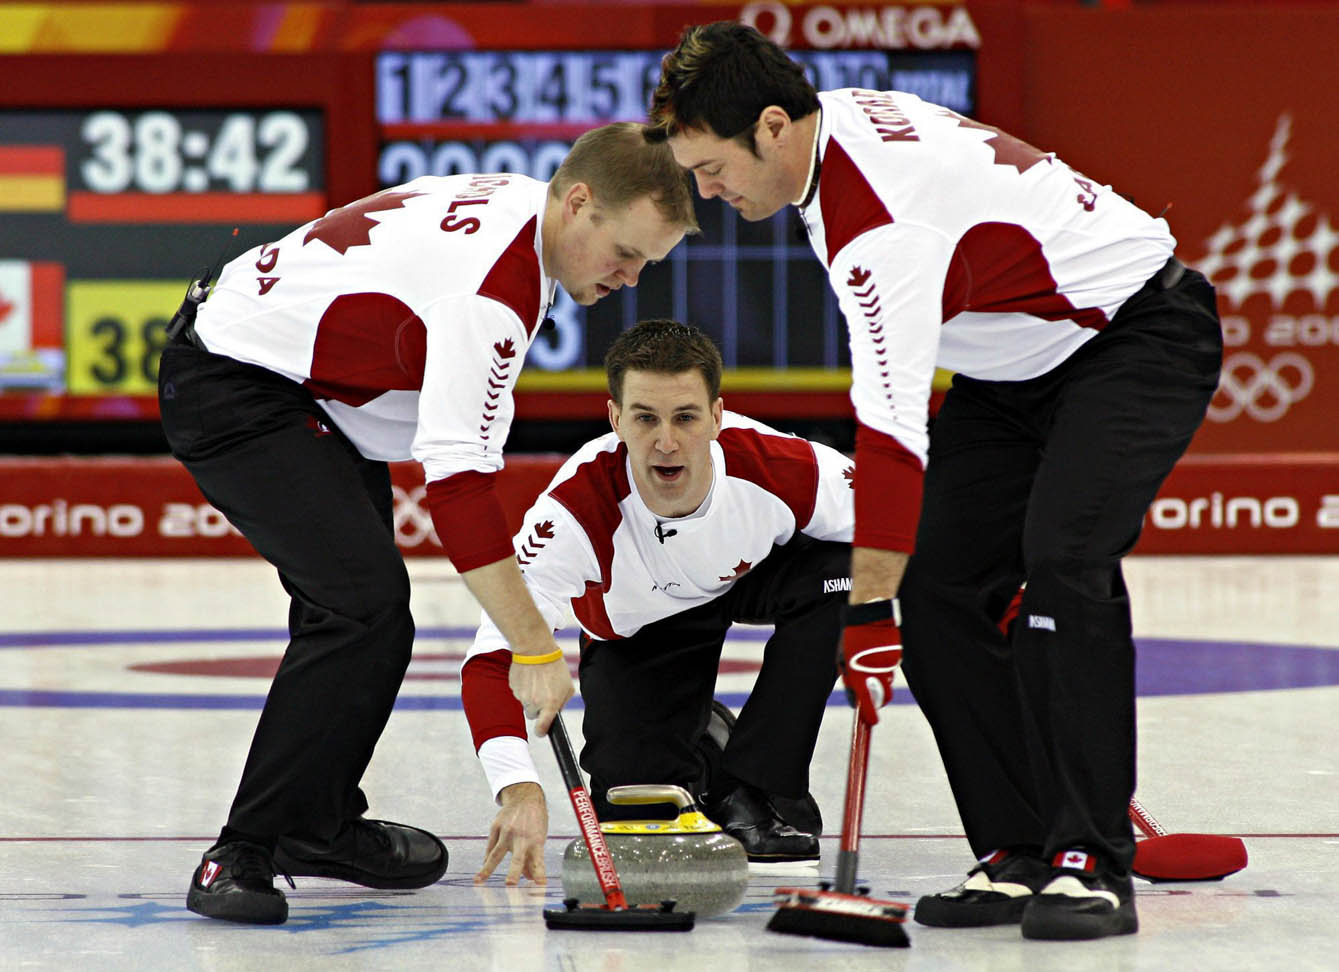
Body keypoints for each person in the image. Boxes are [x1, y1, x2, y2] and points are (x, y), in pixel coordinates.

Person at [648, 23, 1223, 941]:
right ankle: (1015, 851)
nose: (708, 193)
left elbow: (889, 435)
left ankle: (1090, 862)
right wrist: (895, 594)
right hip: (1010, 368)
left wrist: (867, 614)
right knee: (945, 581)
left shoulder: (881, 223)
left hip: (1133, 334)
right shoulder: (823, 136)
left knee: (1062, 558)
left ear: (771, 126)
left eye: (714, 168)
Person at [158, 123, 697, 925]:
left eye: (648, 263)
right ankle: (238, 852)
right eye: (624, 252)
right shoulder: (490, 292)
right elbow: (458, 493)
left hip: (313, 390)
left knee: (365, 615)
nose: (630, 276)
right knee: (361, 604)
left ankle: (317, 821)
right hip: (238, 383)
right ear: (578, 202)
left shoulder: (524, 209)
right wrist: (535, 648)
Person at [460, 320, 856, 885]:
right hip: (640, 627)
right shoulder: (572, 513)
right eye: (645, 418)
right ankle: (705, 740)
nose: (666, 442)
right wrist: (519, 788)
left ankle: (757, 782)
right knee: (636, 811)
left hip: (750, 577)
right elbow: (490, 659)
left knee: (852, 575)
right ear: (616, 418)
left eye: (686, 418)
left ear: (717, 416)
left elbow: (906, 533)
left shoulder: (783, 466)